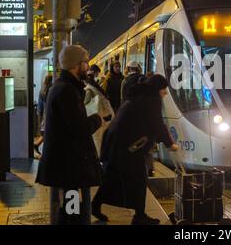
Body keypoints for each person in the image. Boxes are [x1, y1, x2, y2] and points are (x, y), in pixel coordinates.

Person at [92, 74, 179, 225]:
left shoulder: (140, 95)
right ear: (157, 88)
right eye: (164, 89)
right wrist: (170, 143)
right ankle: (139, 216)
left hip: (118, 142)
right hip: (127, 146)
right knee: (139, 179)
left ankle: (96, 205)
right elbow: (157, 123)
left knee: (115, 178)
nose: (165, 92)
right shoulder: (152, 99)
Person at [36, 45, 103, 225]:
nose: (88, 66)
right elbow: (79, 128)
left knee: (71, 209)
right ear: (76, 64)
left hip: (69, 164)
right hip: (69, 167)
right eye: (85, 62)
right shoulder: (66, 90)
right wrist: (98, 119)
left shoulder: (64, 87)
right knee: (72, 211)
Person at [84, 65, 114, 154]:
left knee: (98, 142)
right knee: (100, 142)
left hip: (99, 118)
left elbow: (85, 103)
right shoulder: (95, 88)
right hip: (103, 117)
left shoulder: (90, 89)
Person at [34, 74, 53, 156]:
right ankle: (38, 146)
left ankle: (37, 145)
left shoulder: (42, 90)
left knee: (46, 132)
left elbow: (40, 106)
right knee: (48, 132)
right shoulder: (52, 89)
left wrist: (40, 114)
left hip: (45, 113)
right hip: (49, 113)